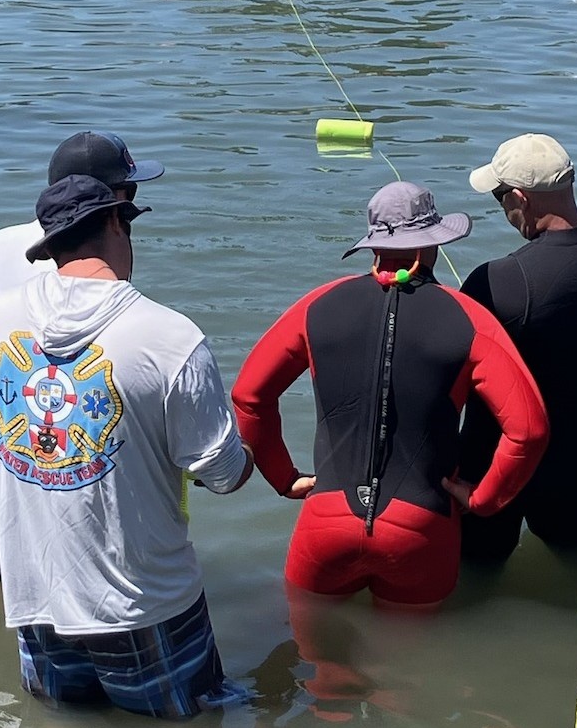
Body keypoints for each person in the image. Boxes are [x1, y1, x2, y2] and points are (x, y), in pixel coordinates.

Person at [0, 172, 254, 719]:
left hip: (36, 601)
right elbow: (222, 472)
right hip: (145, 608)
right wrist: (247, 455)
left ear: (50, 246)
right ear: (118, 222)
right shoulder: (171, 337)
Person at [232, 181, 548, 606]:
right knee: (408, 649)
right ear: (433, 243)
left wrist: (284, 478)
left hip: (326, 523)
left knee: (311, 645)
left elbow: (249, 396)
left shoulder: (317, 305)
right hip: (421, 528)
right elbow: (528, 431)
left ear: (374, 244)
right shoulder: (470, 319)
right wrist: (483, 499)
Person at [0, 130, 164, 579]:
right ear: (106, 203)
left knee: (11, 595)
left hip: (1, 468)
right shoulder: (99, 269)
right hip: (79, 482)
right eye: (128, 195)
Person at [458, 134, 577, 563]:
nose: (503, 210)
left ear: (520, 199)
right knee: (575, 577)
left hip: (488, 473)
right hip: (573, 469)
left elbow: (451, 378)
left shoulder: (495, 280)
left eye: (500, 198)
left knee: (473, 581)